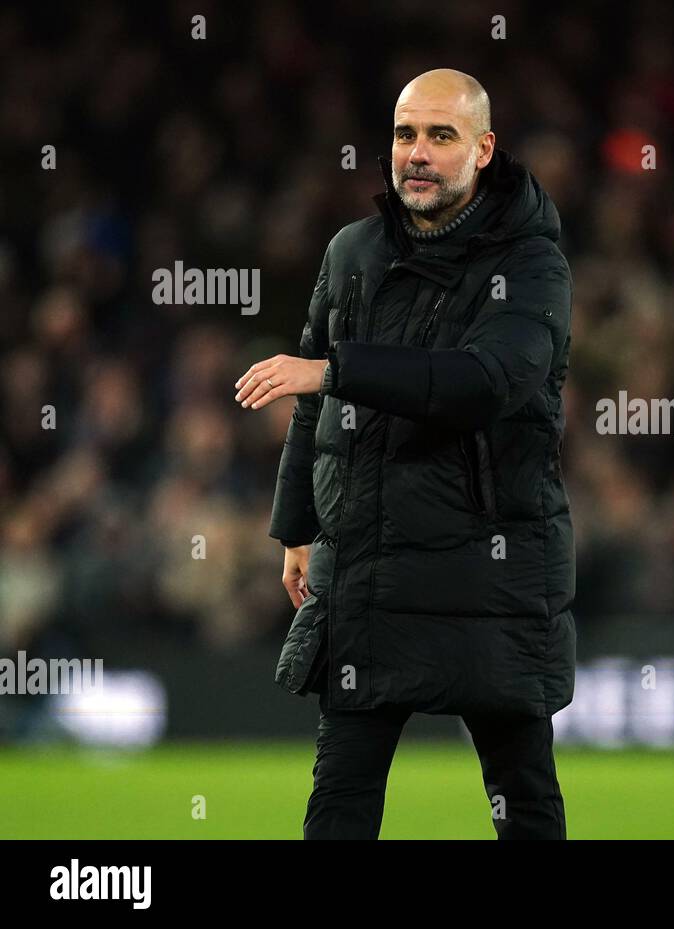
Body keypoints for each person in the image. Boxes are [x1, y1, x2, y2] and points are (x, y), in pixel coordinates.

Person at [234, 69, 576, 840]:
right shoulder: (352, 250)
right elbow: (313, 405)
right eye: (404, 134)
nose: (416, 154)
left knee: (522, 796)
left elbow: (486, 382)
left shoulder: (530, 265)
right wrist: (297, 524)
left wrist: (338, 369)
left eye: (440, 136)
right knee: (340, 797)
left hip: (490, 571)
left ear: (484, 149)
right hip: (369, 565)